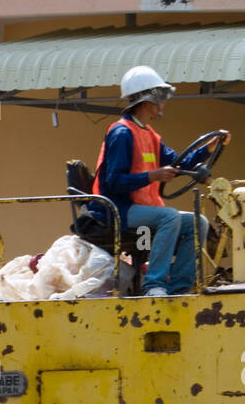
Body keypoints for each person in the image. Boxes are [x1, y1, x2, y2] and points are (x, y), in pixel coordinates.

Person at [91, 66, 229, 297]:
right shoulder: (122, 133)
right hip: (118, 209)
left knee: (199, 222)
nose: (164, 102)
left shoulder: (150, 135)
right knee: (169, 217)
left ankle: (179, 286)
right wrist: (152, 176)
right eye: (161, 96)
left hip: (141, 209)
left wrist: (210, 147)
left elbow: (180, 164)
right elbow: (114, 183)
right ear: (149, 98)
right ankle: (154, 285)